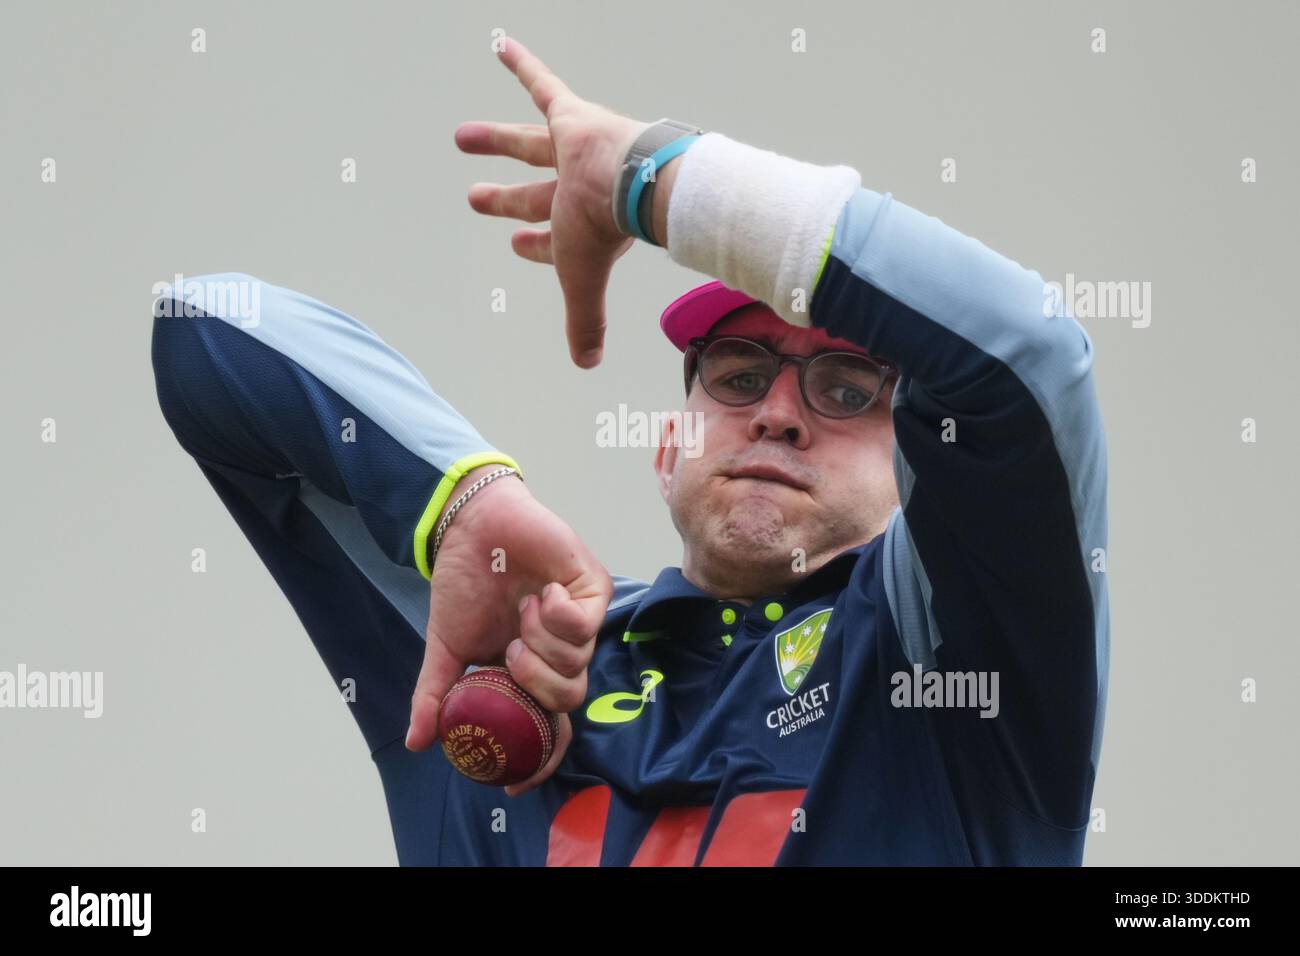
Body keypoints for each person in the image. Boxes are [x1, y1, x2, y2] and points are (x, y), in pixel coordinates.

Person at [150, 37, 1108, 865]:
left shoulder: (950, 652)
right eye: (736, 376)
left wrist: (654, 183)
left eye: (848, 390)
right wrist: (462, 504)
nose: (778, 412)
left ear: (915, 473)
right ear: (667, 449)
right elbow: (201, 325)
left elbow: (1029, 354)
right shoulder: (499, 651)